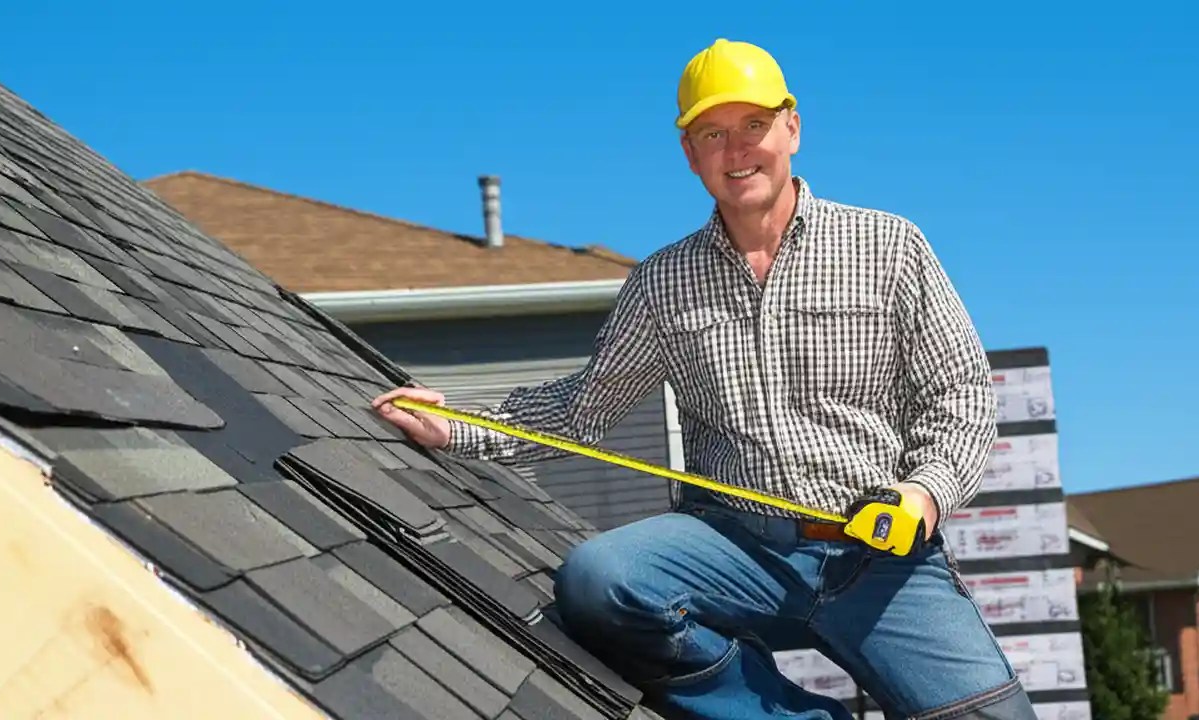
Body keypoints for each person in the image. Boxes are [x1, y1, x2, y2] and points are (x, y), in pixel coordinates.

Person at [373, 37, 1036, 720]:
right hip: (733, 548)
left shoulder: (890, 246)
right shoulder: (662, 283)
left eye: (754, 125)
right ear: (690, 155)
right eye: (712, 134)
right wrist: (459, 426)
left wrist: (923, 495)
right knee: (599, 580)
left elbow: (959, 394)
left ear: (793, 128)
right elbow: (581, 411)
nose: (737, 149)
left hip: (878, 560)